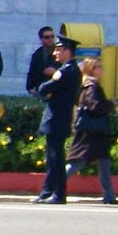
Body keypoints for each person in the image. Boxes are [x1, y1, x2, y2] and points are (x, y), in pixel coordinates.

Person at [34, 34, 80, 203]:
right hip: (58, 119)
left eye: (58, 50)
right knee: (52, 158)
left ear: (67, 51)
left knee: (56, 159)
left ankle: (59, 194)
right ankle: (47, 192)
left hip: (57, 119)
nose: (55, 53)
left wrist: (48, 90)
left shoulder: (67, 71)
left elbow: (43, 88)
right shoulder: (68, 69)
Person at [64, 56, 117, 203]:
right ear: (91, 69)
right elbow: (94, 106)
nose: (102, 69)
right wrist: (110, 104)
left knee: (104, 162)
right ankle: (55, 186)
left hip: (94, 131)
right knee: (79, 162)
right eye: (98, 67)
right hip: (91, 132)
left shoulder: (86, 84)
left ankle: (109, 196)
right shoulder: (92, 86)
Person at [25, 25, 57, 95]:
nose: (50, 39)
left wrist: (56, 71)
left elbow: (68, 68)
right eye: (47, 37)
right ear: (41, 39)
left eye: (52, 36)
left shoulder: (60, 51)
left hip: (57, 90)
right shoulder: (37, 54)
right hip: (41, 89)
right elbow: (32, 73)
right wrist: (30, 88)